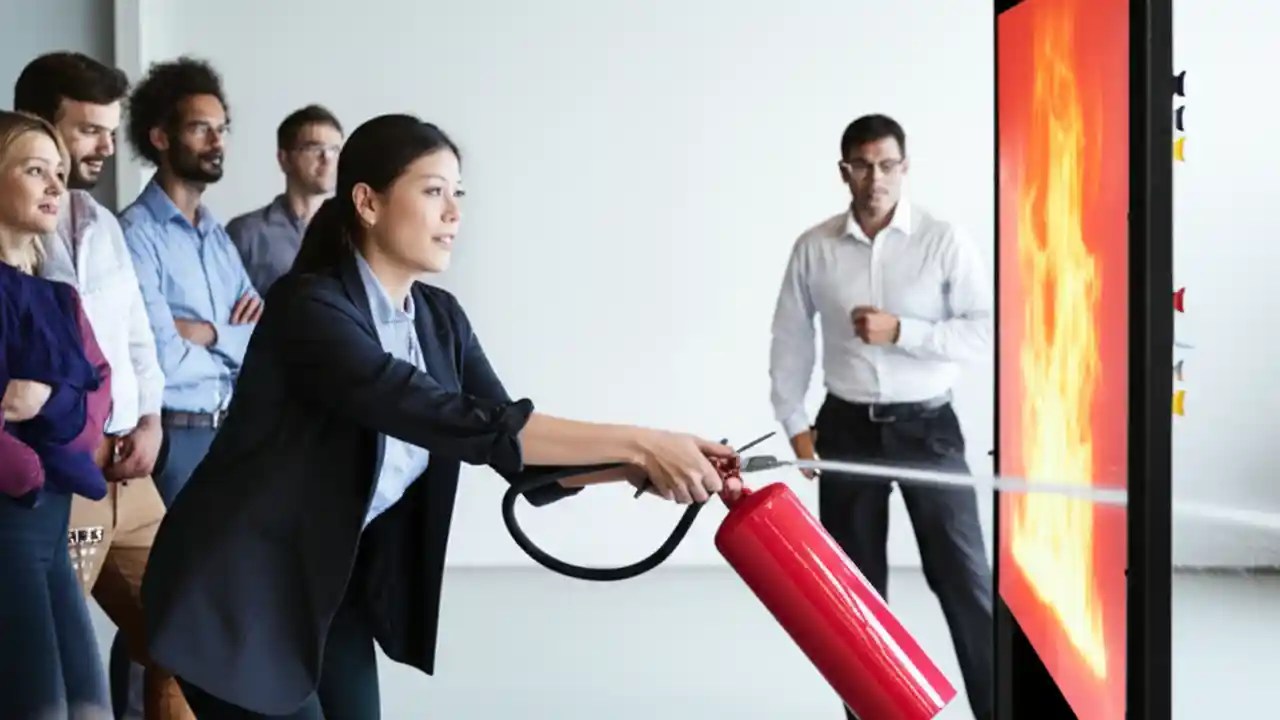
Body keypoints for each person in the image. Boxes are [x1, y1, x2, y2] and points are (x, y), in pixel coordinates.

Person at [140, 113, 742, 719]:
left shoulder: (439, 319)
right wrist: (644, 445)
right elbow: (452, 417)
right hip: (232, 594)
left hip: (323, 587)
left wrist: (637, 467)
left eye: (458, 194)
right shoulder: (309, 309)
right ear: (368, 202)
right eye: (433, 191)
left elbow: (513, 446)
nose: (454, 212)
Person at [767, 113, 994, 720]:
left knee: (965, 582)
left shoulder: (943, 241)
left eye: (887, 165)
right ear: (844, 171)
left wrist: (904, 332)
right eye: (862, 166)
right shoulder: (814, 248)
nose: (876, 179)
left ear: (905, 167)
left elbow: (987, 330)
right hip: (845, 430)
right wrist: (795, 425)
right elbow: (790, 340)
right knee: (853, 599)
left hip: (929, 430)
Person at [14, 52, 193, 720]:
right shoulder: (17, 241)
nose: (107, 147)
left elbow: (140, 339)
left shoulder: (104, 224)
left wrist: (149, 421)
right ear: (39, 123)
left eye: (111, 131)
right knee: (55, 679)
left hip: (132, 474)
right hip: (61, 475)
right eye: (91, 129)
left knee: (186, 637)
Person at [0, 109, 114, 720]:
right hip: (10, 523)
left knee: (90, 706)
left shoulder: (58, 295)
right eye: (34, 170)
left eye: (59, 173)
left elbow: (95, 396)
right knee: (37, 707)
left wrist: (47, 404)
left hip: (54, 525)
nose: (54, 187)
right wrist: (35, 466)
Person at [118, 56, 260, 507]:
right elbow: (163, 359)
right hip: (176, 438)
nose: (217, 141)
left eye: (222, 129)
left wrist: (209, 333)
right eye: (201, 128)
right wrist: (232, 342)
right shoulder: (135, 234)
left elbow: (264, 340)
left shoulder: (217, 237)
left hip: (232, 433)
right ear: (160, 137)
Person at [227, 104, 343, 295]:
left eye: (335, 149)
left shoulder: (352, 233)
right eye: (314, 148)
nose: (327, 158)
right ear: (284, 159)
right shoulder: (246, 233)